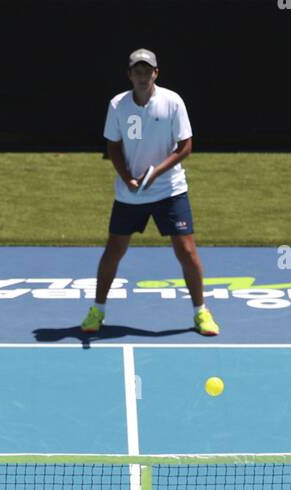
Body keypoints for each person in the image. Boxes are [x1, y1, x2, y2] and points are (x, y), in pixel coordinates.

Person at [81, 48, 220, 338]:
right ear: (129, 75)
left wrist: (155, 172)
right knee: (114, 250)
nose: (143, 76)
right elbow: (113, 147)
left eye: (148, 71)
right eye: (137, 71)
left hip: (170, 189)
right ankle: (97, 309)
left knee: (186, 250)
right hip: (130, 193)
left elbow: (186, 147)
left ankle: (201, 312)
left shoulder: (172, 102)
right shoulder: (118, 105)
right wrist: (128, 178)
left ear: (156, 73)